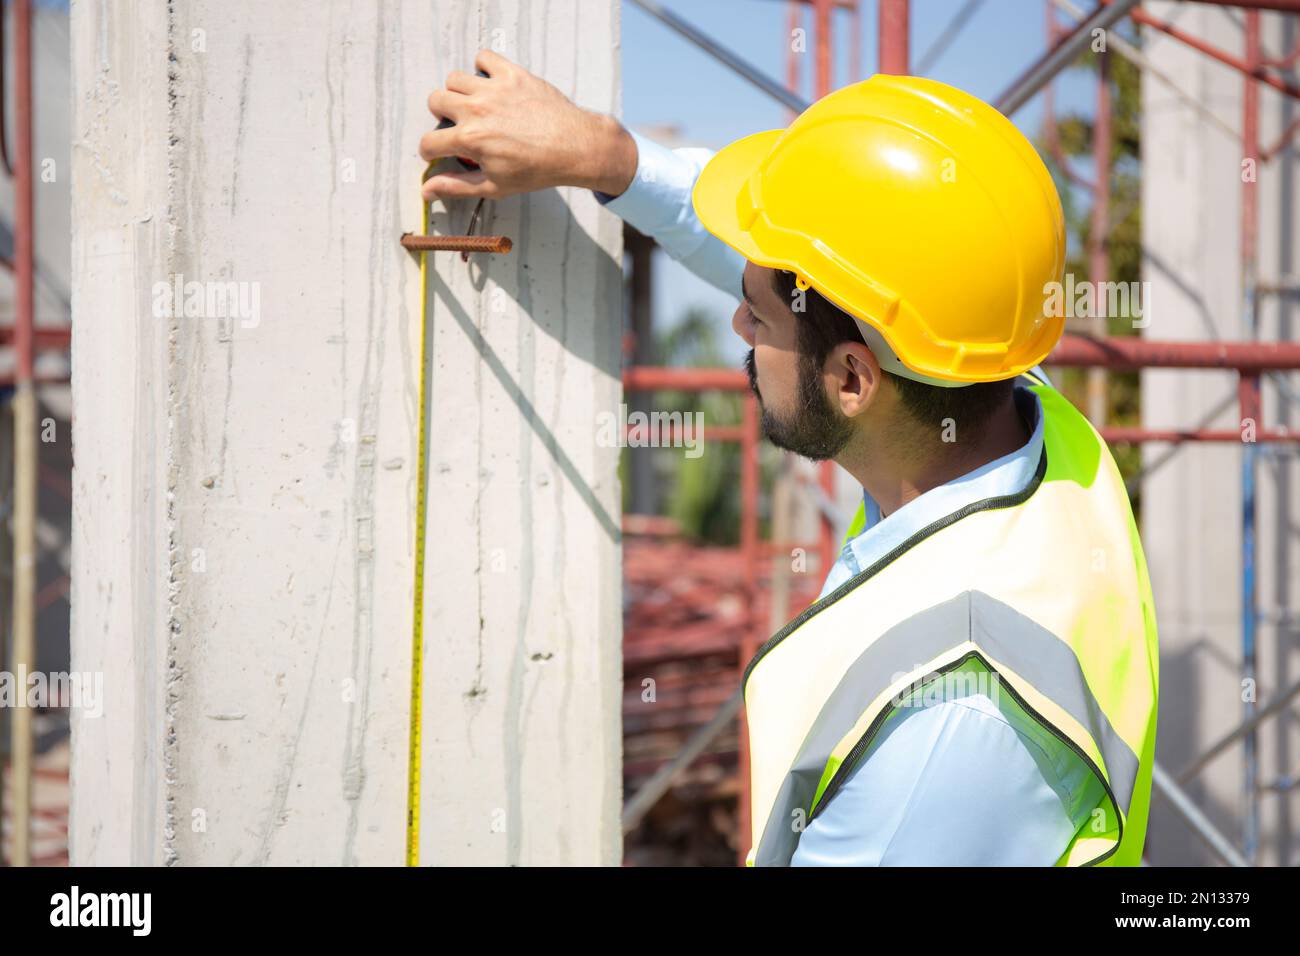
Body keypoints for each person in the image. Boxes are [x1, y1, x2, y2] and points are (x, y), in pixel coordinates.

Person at [419, 50, 1159, 867]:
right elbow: (827, 282)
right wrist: (606, 157)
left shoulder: (947, 728)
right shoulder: (1009, 399)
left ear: (852, 378)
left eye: (756, 318)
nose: (736, 327)